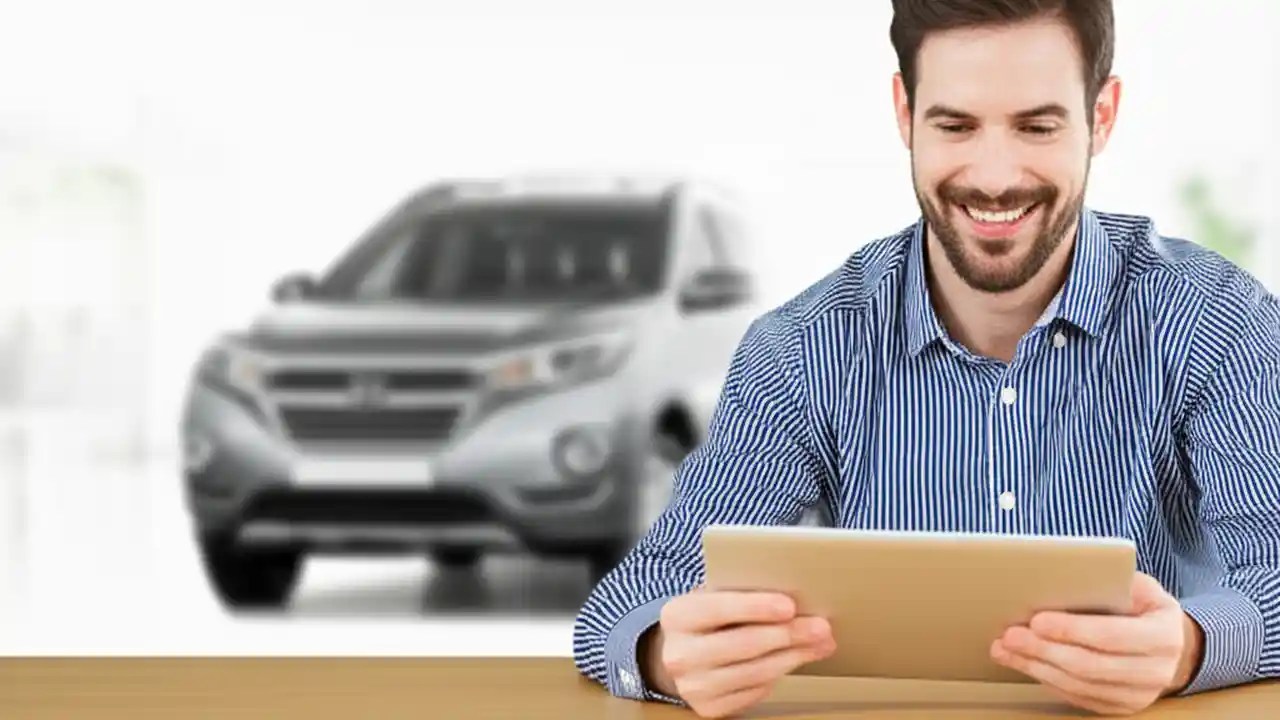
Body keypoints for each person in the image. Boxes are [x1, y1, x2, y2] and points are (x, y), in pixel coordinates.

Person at [572, 0, 1280, 717]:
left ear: (1101, 116)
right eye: (956, 125)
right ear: (904, 113)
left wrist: (1190, 645)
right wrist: (665, 651)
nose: (996, 176)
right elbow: (625, 607)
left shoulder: (1215, 321)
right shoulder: (804, 349)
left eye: (1037, 126)